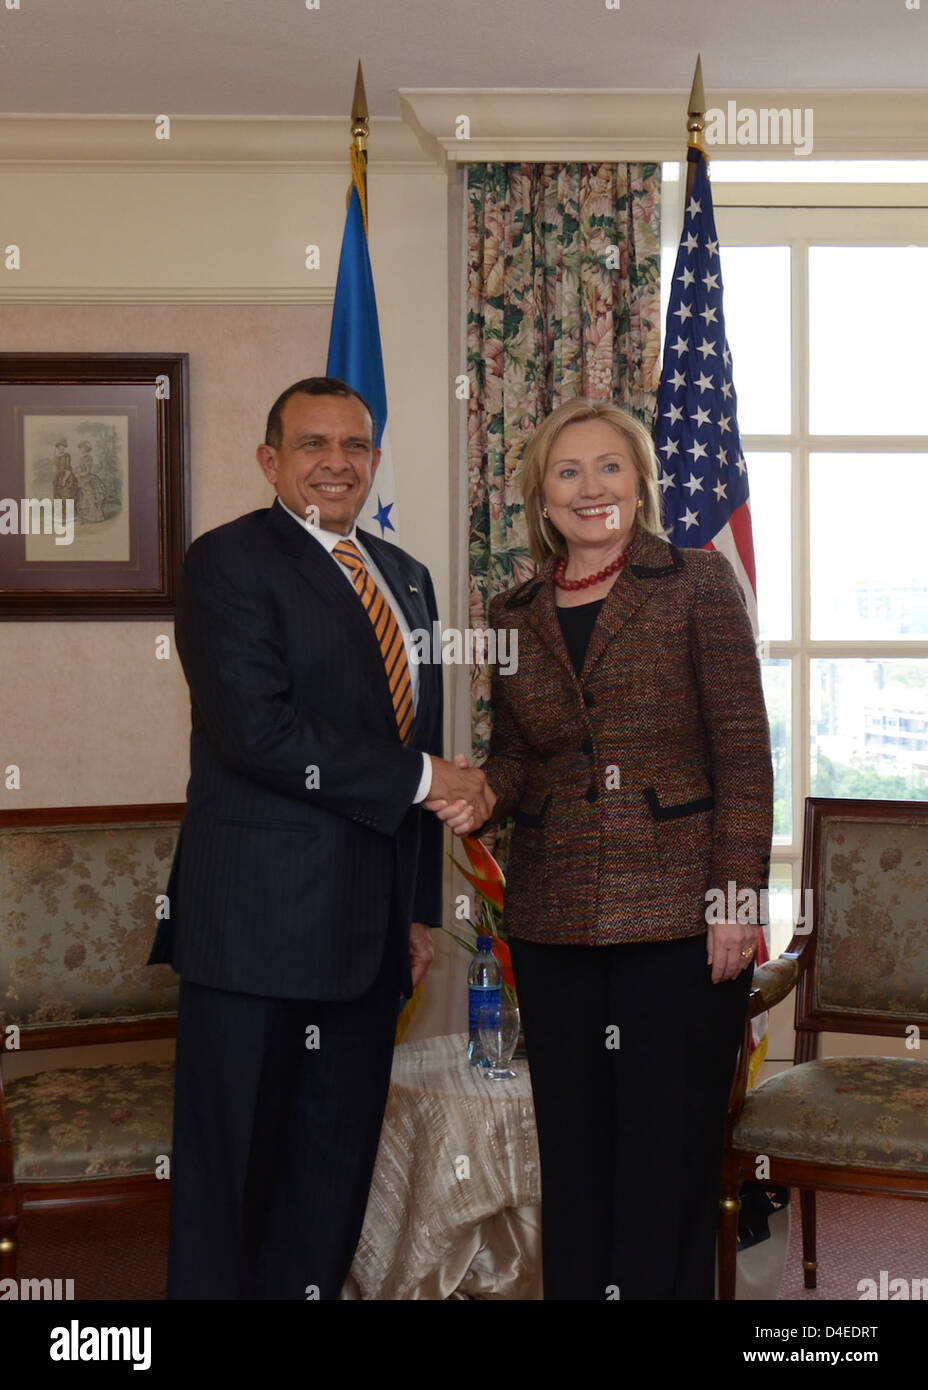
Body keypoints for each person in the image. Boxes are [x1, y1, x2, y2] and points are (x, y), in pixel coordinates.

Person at [148, 376, 494, 1299]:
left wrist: (417, 914)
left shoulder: (407, 576)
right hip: (255, 933)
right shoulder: (228, 564)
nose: (336, 463)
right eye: (313, 445)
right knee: (236, 1180)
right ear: (272, 461)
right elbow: (258, 733)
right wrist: (429, 780)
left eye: (354, 446)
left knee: (330, 1176)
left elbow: (410, 740)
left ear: (374, 460)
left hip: (367, 937)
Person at [431, 397, 773, 1300]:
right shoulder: (511, 609)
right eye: (569, 472)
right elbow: (514, 757)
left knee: (667, 1159)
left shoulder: (698, 582)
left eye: (609, 467)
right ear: (542, 499)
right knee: (574, 1155)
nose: (592, 488)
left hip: (681, 920)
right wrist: (479, 797)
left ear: (640, 483)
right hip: (552, 921)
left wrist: (735, 904)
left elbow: (742, 752)